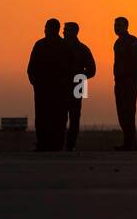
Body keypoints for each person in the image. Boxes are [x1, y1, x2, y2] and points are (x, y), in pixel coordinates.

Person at [28, 18, 73, 152]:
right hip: (49, 89)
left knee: (52, 117)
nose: (45, 30)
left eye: (47, 27)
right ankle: (49, 144)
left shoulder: (45, 45)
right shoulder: (63, 46)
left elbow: (73, 69)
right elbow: (31, 68)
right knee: (51, 117)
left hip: (54, 89)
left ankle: (50, 144)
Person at [63, 21, 96, 151]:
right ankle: (63, 144)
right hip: (66, 85)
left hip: (77, 86)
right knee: (62, 116)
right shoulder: (61, 47)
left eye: (66, 30)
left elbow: (92, 70)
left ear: (73, 32)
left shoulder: (82, 49)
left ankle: (70, 145)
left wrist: (78, 77)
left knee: (74, 116)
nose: (63, 32)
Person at [112, 16, 137, 151]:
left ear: (126, 26)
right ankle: (128, 142)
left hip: (130, 82)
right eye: (115, 25)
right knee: (121, 112)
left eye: (119, 25)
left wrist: (131, 77)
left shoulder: (133, 42)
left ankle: (131, 144)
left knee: (129, 111)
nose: (116, 28)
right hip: (119, 82)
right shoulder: (117, 43)